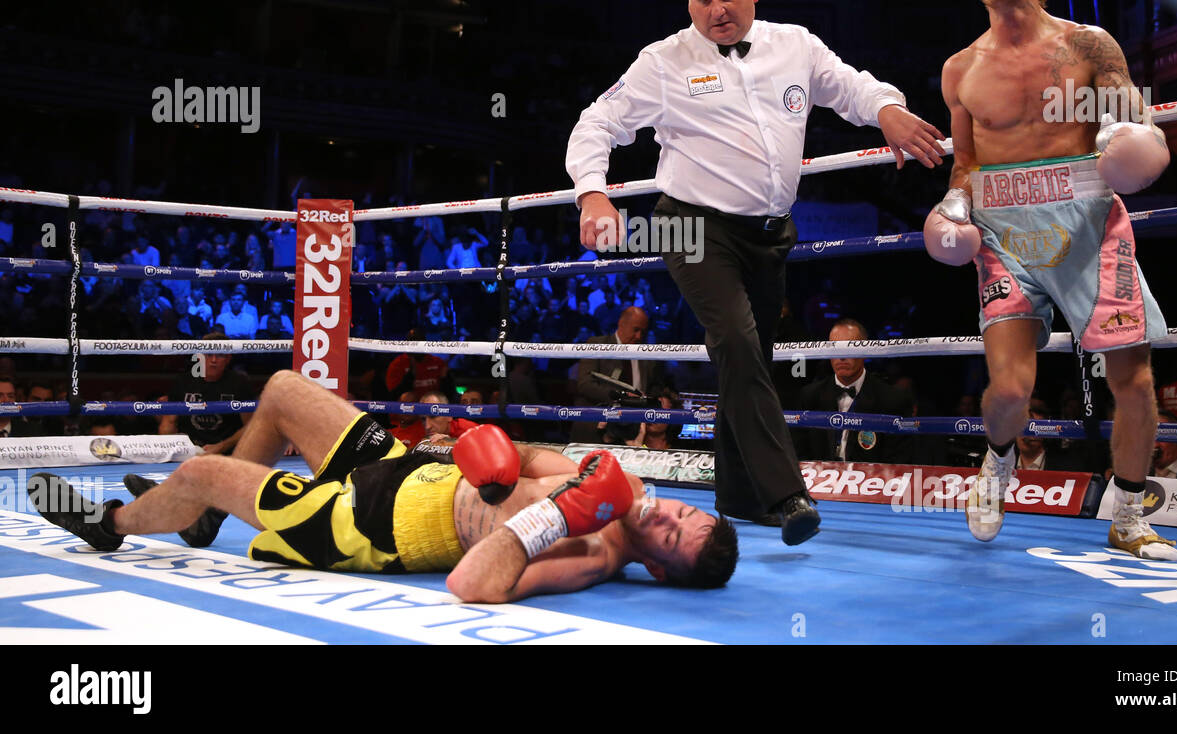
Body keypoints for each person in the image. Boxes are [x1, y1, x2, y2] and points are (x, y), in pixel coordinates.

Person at [565, 0, 945, 545]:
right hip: (686, 222)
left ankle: (739, 494)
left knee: (750, 359)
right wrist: (592, 191)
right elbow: (597, 122)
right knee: (739, 346)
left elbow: (849, 86)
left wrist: (887, 108)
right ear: (687, 2)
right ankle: (786, 491)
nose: (716, 9)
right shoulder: (662, 61)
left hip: (768, 233)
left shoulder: (793, 44)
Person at [29, 371, 738, 602]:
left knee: (199, 472)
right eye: (684, 513)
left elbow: (472, 585)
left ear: (655, 568)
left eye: (673, 535)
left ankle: (111, 525)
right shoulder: (618, 478)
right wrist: (488, 451)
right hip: (407, 468)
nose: (668, 514)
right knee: (281, 390)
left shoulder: (592, 557)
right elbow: (521, 454)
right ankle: (203, 521)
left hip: (365, 522)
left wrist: (558, 515)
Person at [930, 0, 1177, 560]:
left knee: (1136, 379)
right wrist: (955, 204)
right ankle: (997, 463)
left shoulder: (1090, 46)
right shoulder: (959, 69)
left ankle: (1127, 516)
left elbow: (1126, 116)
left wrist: (1125, 141)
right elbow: (966, 162)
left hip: (1087, 220)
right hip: (1003, 229)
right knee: (1010, 388)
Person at [794, 318, 934, 464]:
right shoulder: (810, 395)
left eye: (849, 349)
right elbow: (799, 454)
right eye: (835, 349)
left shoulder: (892, 400)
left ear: (866, 351)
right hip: (820, 483)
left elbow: (898, 462)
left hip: (873, 483)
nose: (841, 357)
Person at [571, 306, 666, 444]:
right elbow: (585, 385)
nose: (639, 336)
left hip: (634, 430)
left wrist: (653, 398)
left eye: (643, 332)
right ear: (621, 324)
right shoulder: (597, 344)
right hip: (598, 425)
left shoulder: (646, 353)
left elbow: (654, 388)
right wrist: (622, 397)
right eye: (636, 330)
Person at [160, 333, 255, 454]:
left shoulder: (239, 383)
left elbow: (250, 426)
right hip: (189, 451)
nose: (213, 360)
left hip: (227, 452)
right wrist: (171, 450)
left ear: (228, 358)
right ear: (200, 356)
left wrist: (222, 446)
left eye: (220, 355)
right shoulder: (183, 381)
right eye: (209, 354)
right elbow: (168, 423)